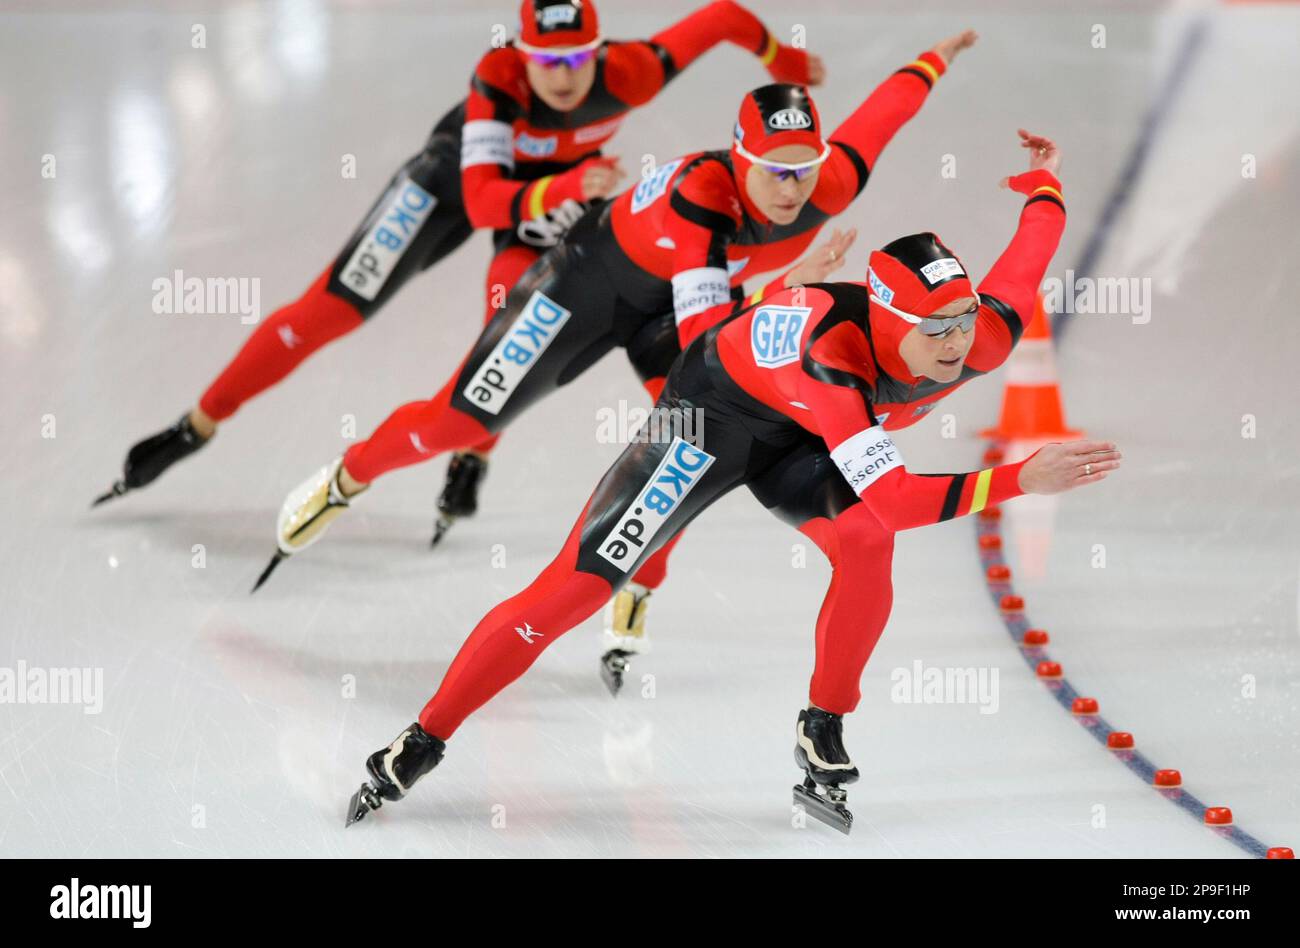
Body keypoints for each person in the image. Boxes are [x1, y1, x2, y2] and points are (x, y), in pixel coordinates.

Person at [343, 130, 1123, 833]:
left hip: (798, 434)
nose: (956, 345)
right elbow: (897, 495)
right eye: (934, 330)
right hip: (707, 415)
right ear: (886, 324)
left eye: (961, 322)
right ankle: (423, 738)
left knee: (863, 540)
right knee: (572, 593)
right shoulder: (834, 363)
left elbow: (1032, 253)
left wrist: (1043, 184)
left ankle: (822, 724)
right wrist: (1020, 477)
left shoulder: (983, 333)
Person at [267, 32, 981, 695]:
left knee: (699, 436)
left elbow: (884, 116)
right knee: (461, 419)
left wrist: (934, 60)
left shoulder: (829, 180)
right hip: (583, 290)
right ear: (738, 158)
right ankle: (348, 475)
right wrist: (782, 290)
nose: (791, 191)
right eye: (771, 172)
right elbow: (708, 337)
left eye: (803, 172)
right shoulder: (704, 200)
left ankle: (638, 580)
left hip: (676, 314)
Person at [92, 0, 824, 530]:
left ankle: (472, 448)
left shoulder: (628, 72)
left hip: (560, 212)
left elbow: (725, 14)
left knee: (508, 310)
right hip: (454, 189)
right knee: (330, 312)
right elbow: (480, 203)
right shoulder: (498, 79)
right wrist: (571, 184)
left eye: (576, 60)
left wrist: (780, 62)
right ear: (521, 54)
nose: (564, 78)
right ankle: (196, 424)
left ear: (600, 54)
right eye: (547, 61)